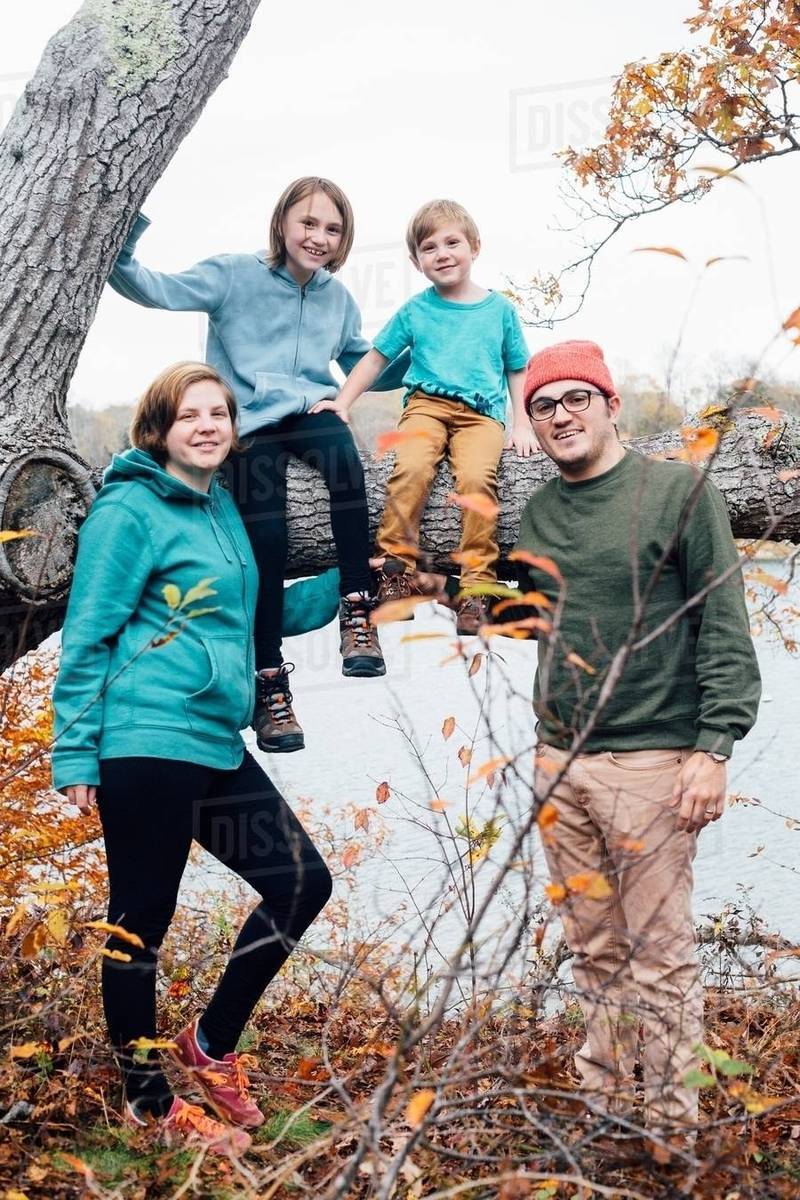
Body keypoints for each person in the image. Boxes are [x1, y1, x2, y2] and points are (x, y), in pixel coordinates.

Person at [52, 363, 334, 1154]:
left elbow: (254, 622)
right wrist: (74, 753)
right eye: (190, 415)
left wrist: (355, 585)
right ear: (160, 428)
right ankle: (148, 1104)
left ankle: (208, 1046)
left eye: (219, 413)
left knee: (301, 882)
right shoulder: (130, 509)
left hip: (211, 741)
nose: (208, 426)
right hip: (143, 743)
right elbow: (89, 635)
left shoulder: (222, 511)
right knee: (141, 922)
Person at [515, 340, 761, 1133]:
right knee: (594, 954)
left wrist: (713, 747)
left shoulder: (678, 492)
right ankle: (606, 1116)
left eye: (576, 398)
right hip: (561, 766)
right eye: (544, 406)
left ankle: (672, 1134)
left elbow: (725, 625)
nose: (561, 416)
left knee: (659, 957)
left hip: (654, 763)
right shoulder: (540, 513)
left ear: (612, 405)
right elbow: (543, 623)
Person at [109, 176, 407, 754]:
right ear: (282, 222)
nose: (318, 237)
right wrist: (122, 239)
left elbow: (367, 365)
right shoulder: (233, 275)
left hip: (308, 413)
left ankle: (355, 611)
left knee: (345, 456)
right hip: (247, 427)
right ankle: (270, 682)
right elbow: (153, 288)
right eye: (308, 222)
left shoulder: (336, 299)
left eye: (332, 228)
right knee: (266, 538)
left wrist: (433, 340)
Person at [311, 198, 535, 635]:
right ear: (417, 261)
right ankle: (396, 569)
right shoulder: (416, 310)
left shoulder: (500, 310)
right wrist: (343, 401)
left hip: (482, 414)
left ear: (475, 247)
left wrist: (521, 422)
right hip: (425, 407)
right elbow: (376, 360)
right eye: (429, 248)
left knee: (477, 481)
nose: (443, 254)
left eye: (452, 243)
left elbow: (517, 368)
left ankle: (476, 588)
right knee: (411, 467)